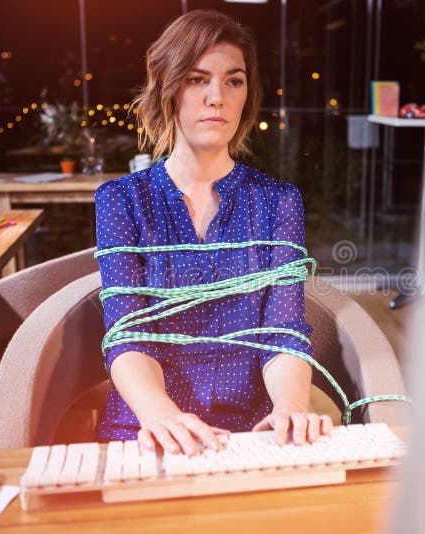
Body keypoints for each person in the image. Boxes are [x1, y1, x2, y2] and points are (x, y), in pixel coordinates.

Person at [94, 10, 332, 457]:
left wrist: (290, 407)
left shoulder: (278, 201)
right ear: (167, 86)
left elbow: (283, 331)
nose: (217, 97)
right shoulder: (122, 200)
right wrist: (160, 414)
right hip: (149, 430)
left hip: (253, 433)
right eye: (197, 79)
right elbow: (127, 331)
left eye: (233, 81)